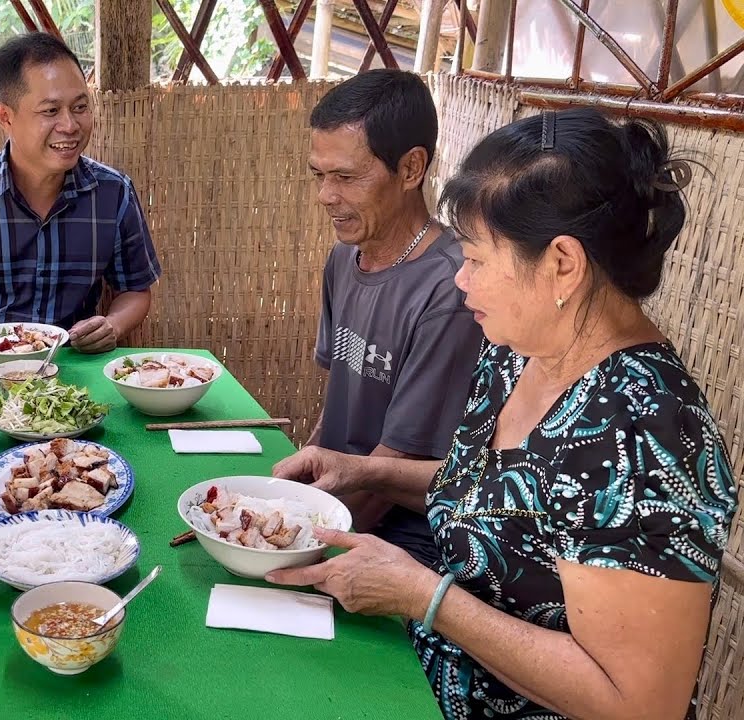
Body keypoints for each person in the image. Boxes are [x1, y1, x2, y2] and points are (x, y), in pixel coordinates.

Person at [269, 109, 738, 719]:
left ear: (562, 264)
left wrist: (425, 597)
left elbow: (639, 702)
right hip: (426, 686)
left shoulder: (646, 429)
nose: (462, 282)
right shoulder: (519, 356)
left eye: (478, 259)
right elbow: (499, 495)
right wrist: (364, 471)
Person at [306, 69, 484, 567]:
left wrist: (304, 542)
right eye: (320, 175)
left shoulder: (451, 289)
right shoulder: (345, 257)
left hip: (402, 539)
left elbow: (399, 459)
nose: (326, 195)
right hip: (338, 507)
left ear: (410, 169)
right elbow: (339, 406)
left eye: (345, 176)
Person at [0, 32, 161, 363]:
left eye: (80, 107)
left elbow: (135, 289)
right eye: (51, 110)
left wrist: (112, 324)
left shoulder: (113, 193)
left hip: (71, 368)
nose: (70, 125)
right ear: (6, 117)